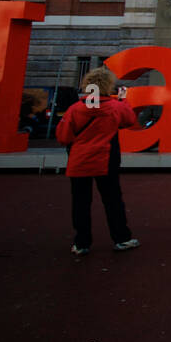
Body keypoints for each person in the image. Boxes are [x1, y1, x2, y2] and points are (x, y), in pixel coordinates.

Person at [56, 68, 139, 255]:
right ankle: (121, 238)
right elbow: (129, 120)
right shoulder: (115, 107)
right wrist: (123, 99)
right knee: (113, 201)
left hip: (80, 160)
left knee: (80, 203)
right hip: (105, 158)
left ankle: (82, 242)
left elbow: (64, 136)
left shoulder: (75, 109)